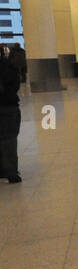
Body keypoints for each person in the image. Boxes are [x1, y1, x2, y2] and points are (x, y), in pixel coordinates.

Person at [0, 46, 21, 183]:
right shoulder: (6, 66)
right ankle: (10, 171)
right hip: (7, 106)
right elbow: (15, 85)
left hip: (7, 105)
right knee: (8, 139)